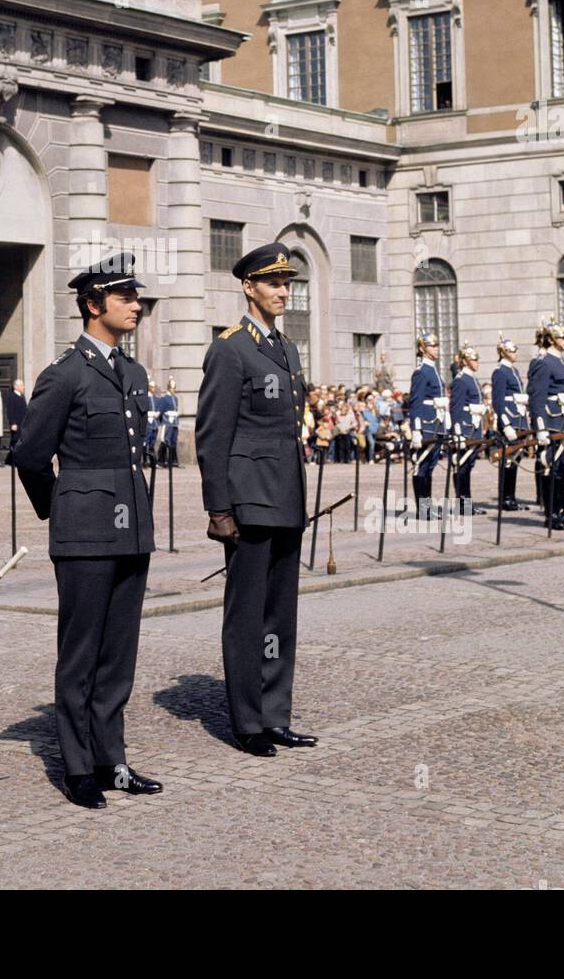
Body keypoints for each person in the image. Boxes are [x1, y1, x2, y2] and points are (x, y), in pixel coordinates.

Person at [11, 253, 161, 807]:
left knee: (118, 654)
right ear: (93, 305)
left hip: (131, 531)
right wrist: (63, 507)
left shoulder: (133, 372)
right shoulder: (65, 374)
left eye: (136, 296)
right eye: (125, 297)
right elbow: (29, 454)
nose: (135, 305)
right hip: (84, 534)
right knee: (80, 654)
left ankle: (111, 759)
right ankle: (78, 767)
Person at [196, 241, 315, 758]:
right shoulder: (230, 348)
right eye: (273, 283)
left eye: (287, 283)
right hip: (247, 502)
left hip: (286, 497)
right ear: (249, 287)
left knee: (279, 615)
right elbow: (212, 433)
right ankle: (247, 722)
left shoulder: (286, 349)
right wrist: (218, 509)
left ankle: (275, 713)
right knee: (247, 615)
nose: (283, 291)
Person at [528, 318, 564, 531]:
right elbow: (537, 397)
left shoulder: (562, 361)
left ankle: (561, 512)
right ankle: (552, 515)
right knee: (552, 468)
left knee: (563, 469)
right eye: (561, 337)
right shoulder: (543, 362)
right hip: (553, 421)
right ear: (551, 340)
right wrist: (540, 427)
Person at [408, 332, 447, 520]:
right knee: (421, 467)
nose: (436, 349)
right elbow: (416, 402)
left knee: (430, 466)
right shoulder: (421, 371)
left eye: (437, 345)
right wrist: (416, 430)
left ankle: (428, 505)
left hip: (437, 424)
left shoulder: (433, 370)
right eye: (432, 346)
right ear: (423, 349)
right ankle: (422, 508)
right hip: (426, 425)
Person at [491, 335, 528, 511]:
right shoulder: (500, 372)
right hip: (509, 420)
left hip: (518, 418)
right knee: (507, 460)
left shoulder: (513, 371)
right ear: (504, 353)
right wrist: (505, 425)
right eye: (513, 350)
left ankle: (511, 498)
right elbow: (498, 402)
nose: (516, 353)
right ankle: (505, 498)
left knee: (515, 459)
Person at [448, 344, 485, 512]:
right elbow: (456, 408)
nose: (477, 362)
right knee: (461, 465)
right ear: (464, 361)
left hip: (474, 426)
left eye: (477, 359)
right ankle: (463, 504)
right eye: (473, 359)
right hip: (465, 427)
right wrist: (458, 432)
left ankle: (467, 503)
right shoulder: (461, 380)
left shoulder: (472, 378)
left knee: (469, 465)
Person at [8, 379, 27, 453]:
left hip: (22, 423)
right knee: (15, 442)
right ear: (16, 386)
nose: (23, 387)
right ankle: (13, 461)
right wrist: (13, 423)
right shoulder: (12, 396)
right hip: (16, 424)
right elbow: (10, 411)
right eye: (22, 385)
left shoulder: (22, 397)